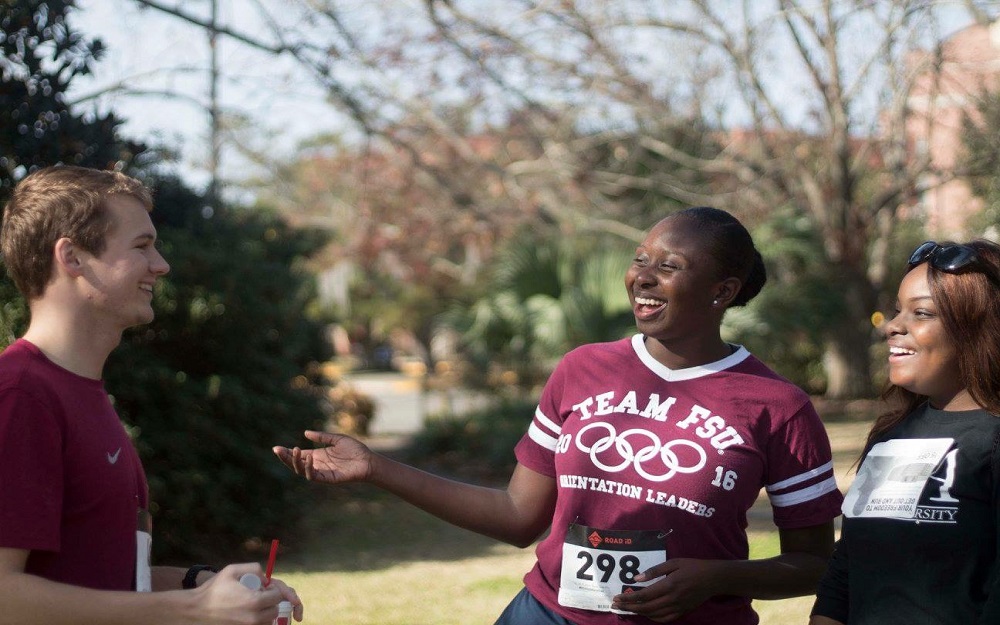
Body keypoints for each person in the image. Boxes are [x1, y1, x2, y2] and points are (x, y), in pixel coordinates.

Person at [275, 206, 844, 624]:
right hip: (546, 615)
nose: (642, 277)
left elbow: (813, 566)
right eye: (640, 259)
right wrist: (376, 469)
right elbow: (519, 517)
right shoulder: (582, 369)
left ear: (723, 290)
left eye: (668, 266)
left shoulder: (777, 406)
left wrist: (715, 577)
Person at [0, 165, 303, 624]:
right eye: (141, 246)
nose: (161, 265)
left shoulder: (83, 391)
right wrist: (193, 609)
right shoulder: (21, 393)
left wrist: (201, 583)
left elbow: (108, 579)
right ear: (72, 258)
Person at [810, 239, 1000, 625]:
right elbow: (847, 566)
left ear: (980, 327)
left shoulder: (992, 441)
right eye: (899, 311)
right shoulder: (891, 434)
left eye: (922, 313)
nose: (894, 327)